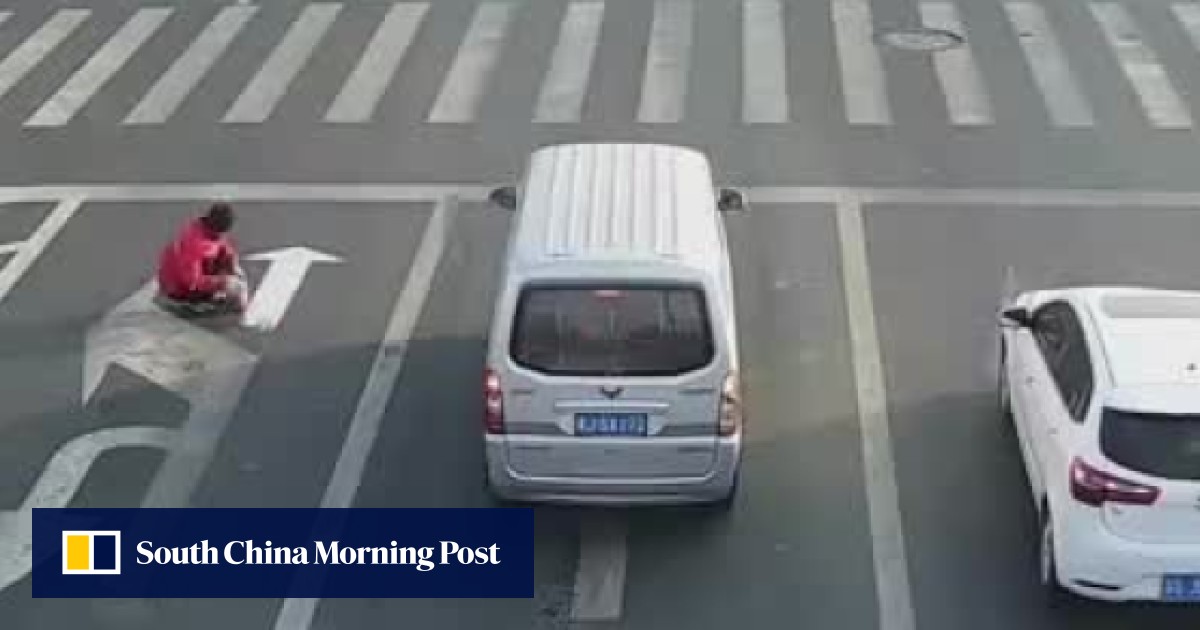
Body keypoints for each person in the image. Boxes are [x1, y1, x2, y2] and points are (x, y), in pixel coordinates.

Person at [156, 203, 249, 314]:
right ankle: (195, 306)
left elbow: (223, 246)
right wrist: (222, 283)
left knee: (236, 275)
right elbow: (192, 281)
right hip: (177, 288)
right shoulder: (196, 244)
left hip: (184, 276)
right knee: (234, 285)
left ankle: (227, 302)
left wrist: (232, 265)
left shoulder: (204, 227)